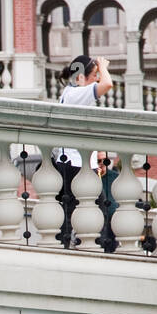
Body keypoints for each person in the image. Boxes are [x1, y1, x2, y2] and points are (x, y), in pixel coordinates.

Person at [54, 53, 114, 246]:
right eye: (94, 74)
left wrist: (99, 154)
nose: (97, 77)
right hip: (77, 166)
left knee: (78, 212)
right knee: (91, 213)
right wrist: (102, 66)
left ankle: (76, 248)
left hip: (77, 164)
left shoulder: (72, 94)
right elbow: (107, 85)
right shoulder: (75, 93)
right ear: (81, 76)